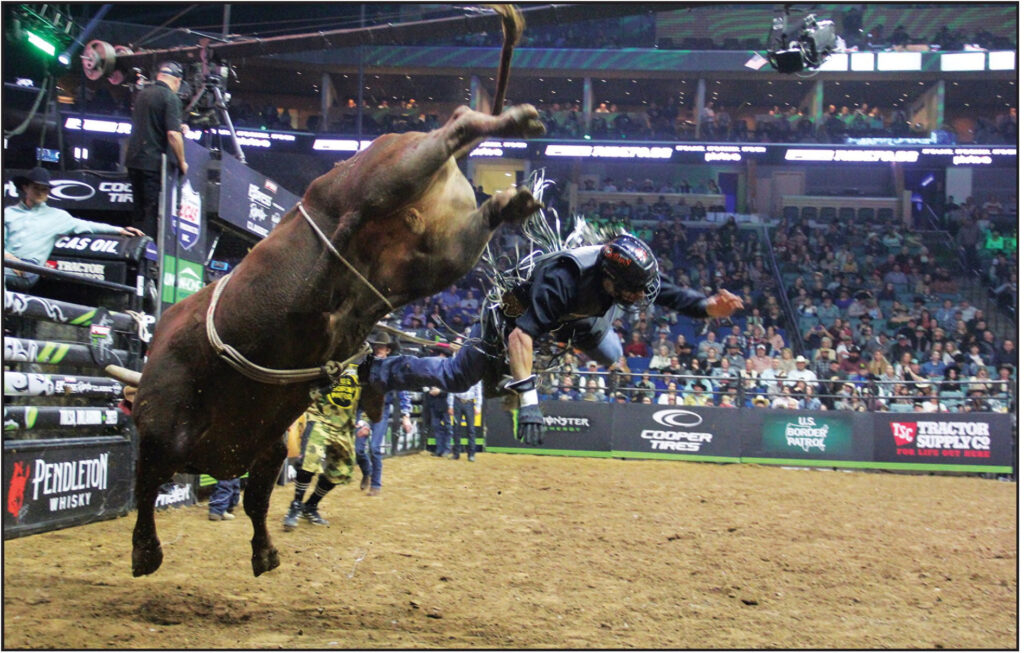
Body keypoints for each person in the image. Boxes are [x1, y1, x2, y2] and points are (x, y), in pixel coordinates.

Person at [362, 234, 744, 444]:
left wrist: (708, 307)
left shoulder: (622, 280)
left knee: (613, 353)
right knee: (457, 377)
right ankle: (380, 373)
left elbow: (668, 294)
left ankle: (563, 343)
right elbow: (520, 335)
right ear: (610, 281)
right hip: (514, 317)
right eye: (633, 292)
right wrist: (530, 402)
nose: (640, 299)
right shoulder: (562, 280)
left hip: (578, 325)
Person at [4, 167, 144, 290]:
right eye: (36, 188)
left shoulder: (58, 216)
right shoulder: (8, 213)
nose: (40, 193)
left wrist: (119, 229)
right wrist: (10, 259)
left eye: (44, 189)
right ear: (25, 188)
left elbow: (89, 225)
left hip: (30, 268)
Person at [283, 362, 366, 530]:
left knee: (341, 470)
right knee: (309, 462)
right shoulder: (329, 357)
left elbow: (368, 393)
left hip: (345, 423)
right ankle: (296, 505)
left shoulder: (362, 365)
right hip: (320, 417)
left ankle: (311, 505)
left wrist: (364, 420)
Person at [125, 61, 189, 238]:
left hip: (133, 160)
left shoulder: (142, 95)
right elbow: (172, 135)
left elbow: (150, 123)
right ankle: (149, 256)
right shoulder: (170, 98)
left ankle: (134, 250)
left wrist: (178, 125)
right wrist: (182, 161)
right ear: (177, 80)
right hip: (152, 163)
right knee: (151, 211)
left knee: (138, 210)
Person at [357, 333, 412, 497]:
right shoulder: (366, 365)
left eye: (381, 347)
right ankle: (367, 472)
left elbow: (403, 391)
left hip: (382, 410)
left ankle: (375, 484)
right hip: (365, 409)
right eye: (376, 346)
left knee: (374, 447)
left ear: (388, 350)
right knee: (358, 449)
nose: (377, 349)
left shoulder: (393, 368)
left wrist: (405, 414)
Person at [449, 379, 481, 461]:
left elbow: (478, 391)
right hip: (457, 401)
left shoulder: (476, 376)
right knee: (456, 429)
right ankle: (456, 454)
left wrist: (478, 406)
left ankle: (471, 454)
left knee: (471, 429)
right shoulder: (457, 372)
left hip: (469, 403)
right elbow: (451, 389)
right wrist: (450, 405)